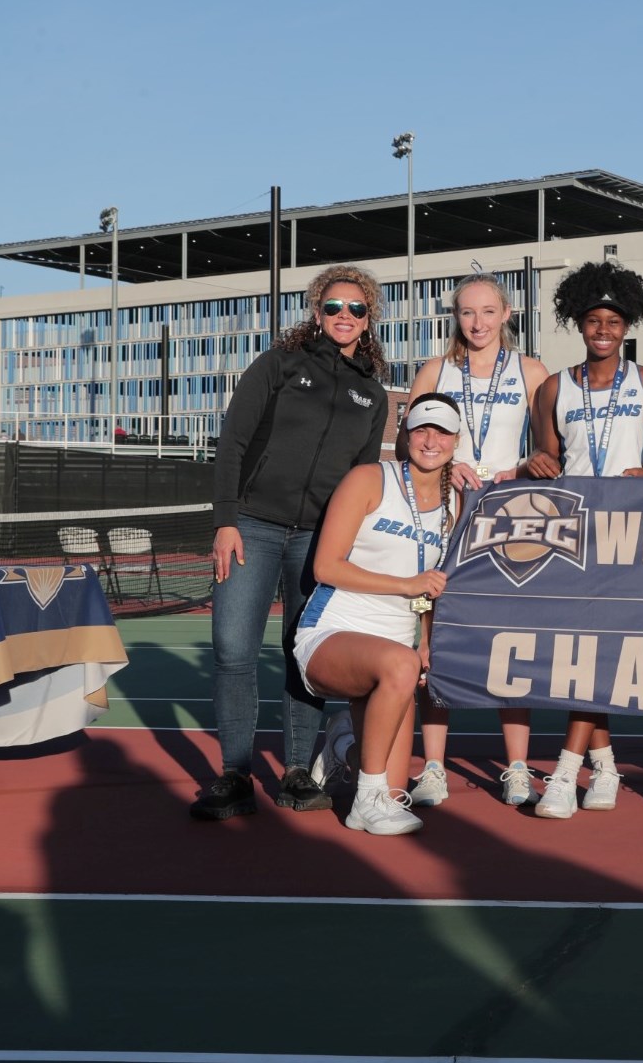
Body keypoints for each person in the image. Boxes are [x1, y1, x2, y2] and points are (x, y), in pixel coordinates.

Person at [193, 265, 390, 821]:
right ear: (316, 312)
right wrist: (226, 521)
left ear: (369, 318)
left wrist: (350, 548)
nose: (343, 317)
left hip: (319, 541)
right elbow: (232, 441)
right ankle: (233, 773)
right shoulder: (278, 365)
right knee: (233, 652)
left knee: (303, 657)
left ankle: (298, 771)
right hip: (251, 526)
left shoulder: (372, 394)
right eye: (333, 307)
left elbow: (365, 477)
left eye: (355, 309)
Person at [524, 261, 643, 819]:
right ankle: (602, 766)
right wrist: (536, 460)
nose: (603, 329)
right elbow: (548, 459)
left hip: (630, 537)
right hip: (576, 535)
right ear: (578, 325)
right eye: (592, 320)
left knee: (600, 653)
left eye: (613, 320)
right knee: (586, 656)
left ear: (627, 325)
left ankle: (564, 772)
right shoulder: (554, 388)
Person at [407, 273, 550, 811]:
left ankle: (516, 767)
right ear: (456, 318)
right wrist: (448, 460)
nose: (478, 323)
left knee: (510, 640)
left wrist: (527, 468)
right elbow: (411, 438)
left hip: (508, 519)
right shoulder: (435, 370)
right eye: (468, 313)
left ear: (507, 313)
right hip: (447, 515)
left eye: (488, 312)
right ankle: (436, 767)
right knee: (436, 638)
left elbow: (551, 445)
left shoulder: (531, 371)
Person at [294, 394, 463, 835]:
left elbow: (434, 586)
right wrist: (406, 585)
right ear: (405, 435)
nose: (431, 441)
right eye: (422, 429)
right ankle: (363, 803)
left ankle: (343, 745)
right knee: (400, 664)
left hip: (397, 654)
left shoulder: (454, 505)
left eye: (442, 432)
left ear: (456, 440)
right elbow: (325, 567)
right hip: (332, 632)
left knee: (393, 788)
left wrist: (427, 640)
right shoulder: (369, 479)